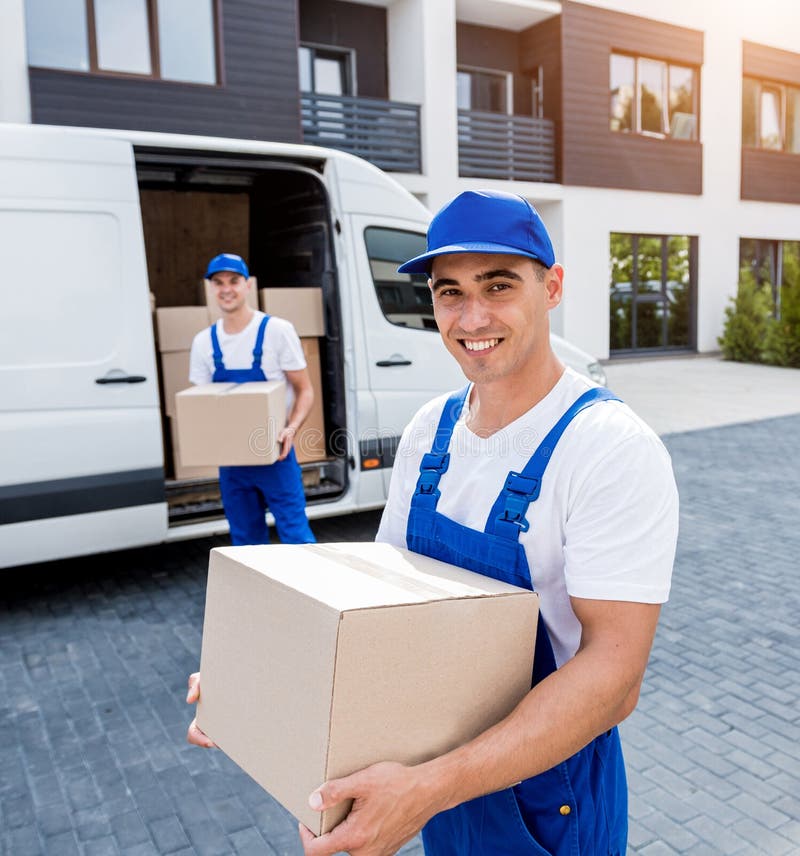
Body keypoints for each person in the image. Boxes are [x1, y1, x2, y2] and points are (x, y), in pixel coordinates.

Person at [187, 193, 678, 855]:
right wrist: (260, 683)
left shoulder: (608, 448)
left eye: (498, 285)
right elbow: (387, 613)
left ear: (552, 286)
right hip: (438, 773)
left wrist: (430, 788)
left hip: (546, 796)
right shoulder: (429, 433)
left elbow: (614, 682)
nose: (473, 317)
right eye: (450, 292)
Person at [189, 252, 316, 546]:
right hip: (232, 464)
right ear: (211, 288)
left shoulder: (276, 331)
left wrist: (292, 428)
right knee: (246, 543)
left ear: (248, 285)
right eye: (218, 282)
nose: (226, 288)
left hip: (276, 454)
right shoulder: (203, 343)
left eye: (234, 280)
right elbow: (202, 405)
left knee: (297, 537)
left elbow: (305, 390)